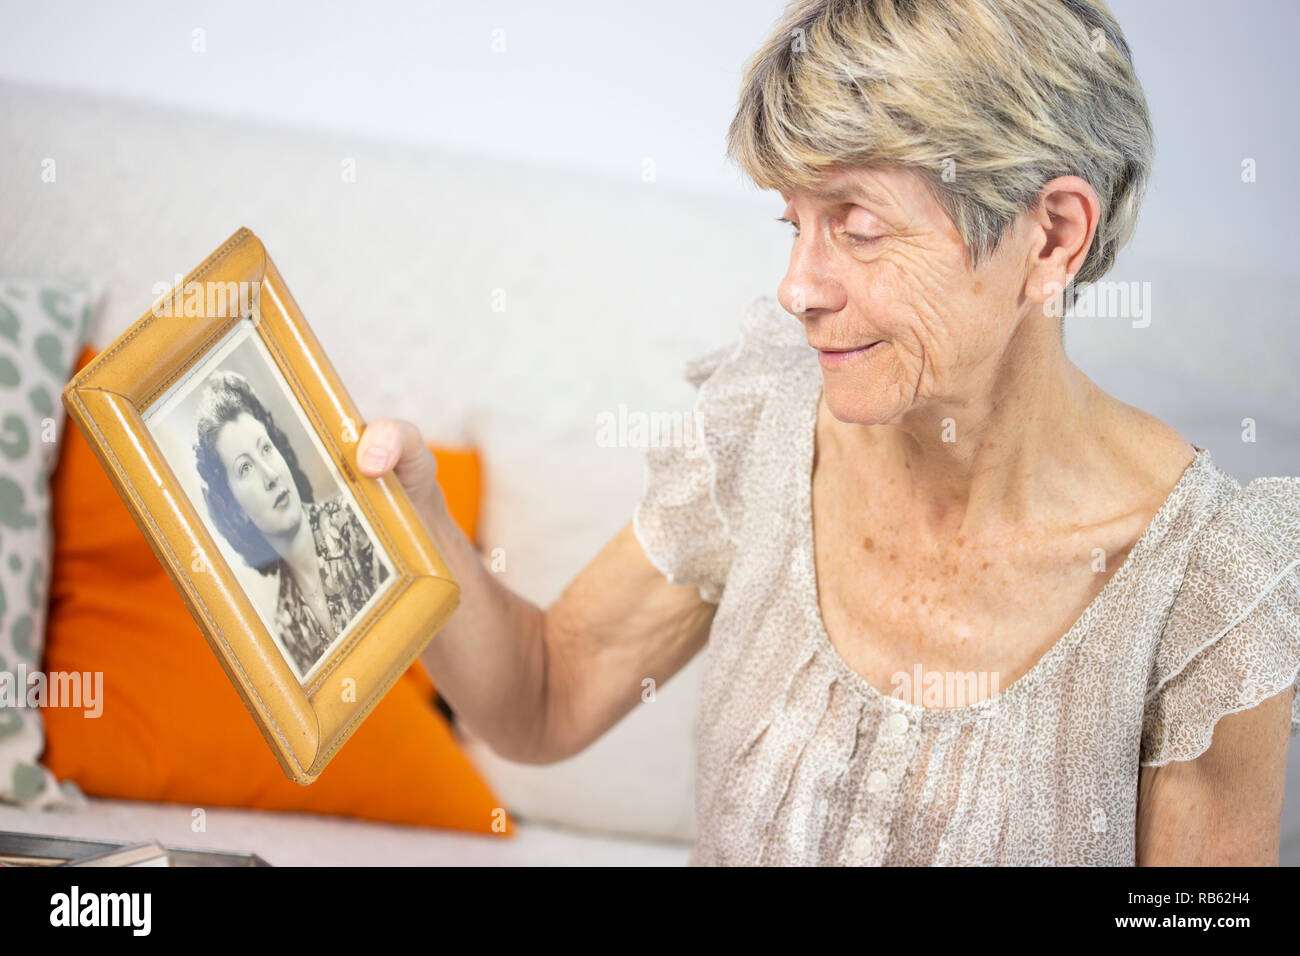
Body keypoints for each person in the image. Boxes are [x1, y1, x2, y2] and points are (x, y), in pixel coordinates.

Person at [357, 0, 1299, 865]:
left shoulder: (1206, 582)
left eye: (856, 227)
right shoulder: (768, 419)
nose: (798, 287)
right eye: (793, 223)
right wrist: (421, 521)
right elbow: (541, 696)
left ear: (1051, 238)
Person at [193, 370, 389, 677]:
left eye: (266, 449)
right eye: (245, 468)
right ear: (235, 508)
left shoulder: (360, 522)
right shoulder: (285, 624)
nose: (270, 476)